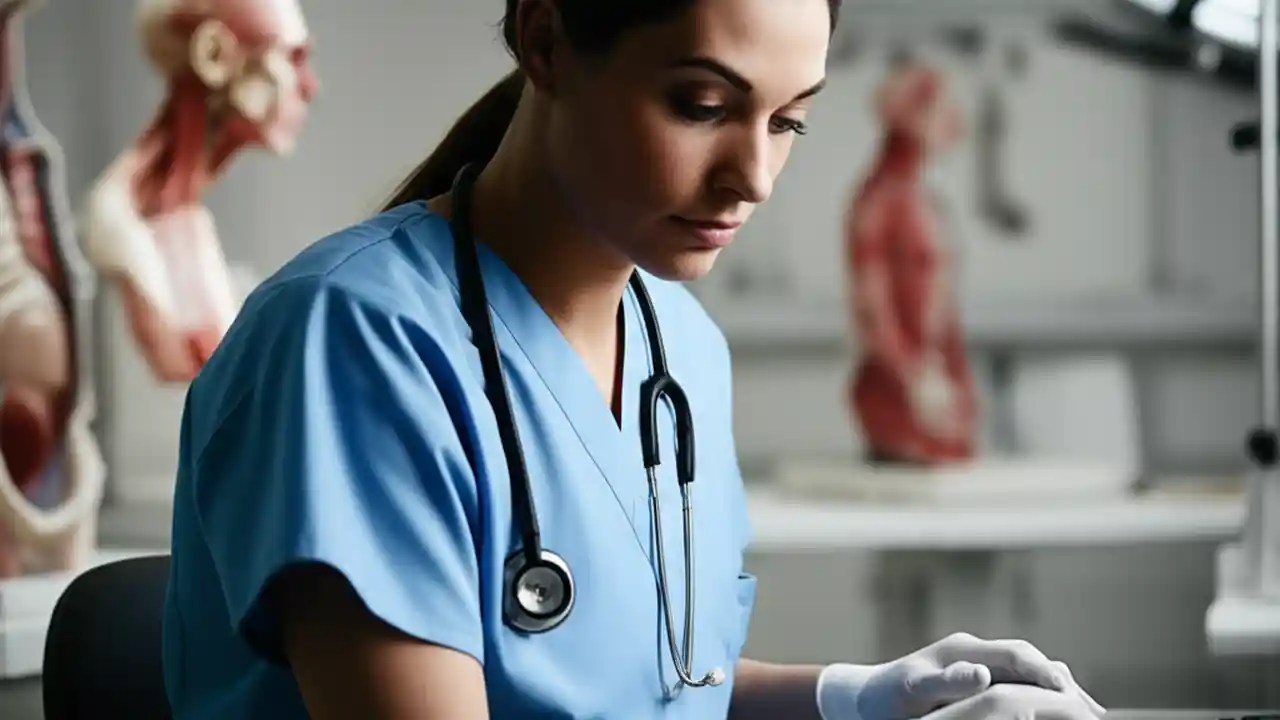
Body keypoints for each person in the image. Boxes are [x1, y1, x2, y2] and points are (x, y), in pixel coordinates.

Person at [162, 1, 1109, 718]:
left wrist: (856, 698)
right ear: (545, 42)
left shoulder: (681, 346)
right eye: (703, 106)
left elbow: (640, 686)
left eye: (788, 122)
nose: (756, 178)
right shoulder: (351, 345)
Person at [84, 0, 318, 383]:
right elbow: (184, 375)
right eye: (292, 57)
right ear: (214, 55)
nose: (309, 86)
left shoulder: (179, 219)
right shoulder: (122, 225)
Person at [847, 60, 980, 467]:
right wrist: (912, 373)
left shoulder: (921, 198)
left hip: (936, 375)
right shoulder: (880, 203)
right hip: (902, 389)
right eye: (942, 110)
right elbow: (872, 308)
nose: (955, 123)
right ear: (913, 118)